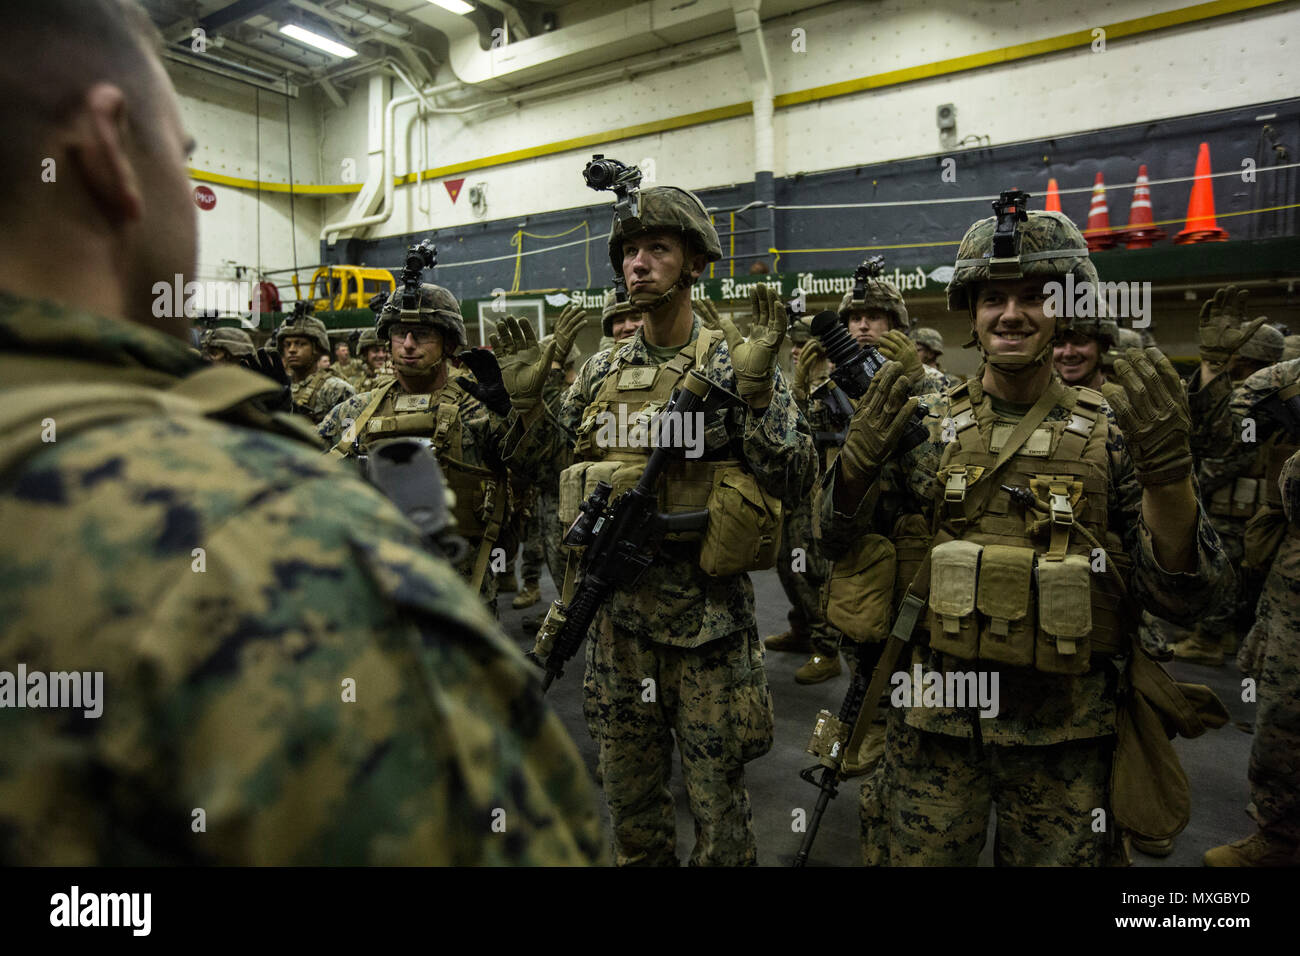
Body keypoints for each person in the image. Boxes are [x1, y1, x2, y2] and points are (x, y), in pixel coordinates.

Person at [0, 0, 604, 866]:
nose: (405, 345)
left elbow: (528, 466)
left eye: (421, 334)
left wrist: (523, 408)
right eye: (181, 161)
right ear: (105, 152)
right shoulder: (273, 536)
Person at [817, 202, 1230, 865]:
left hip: (1065, 740)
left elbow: (1190, 597)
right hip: (932, 727)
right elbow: (828, 546)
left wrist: (1170, 477)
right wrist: (854, 469)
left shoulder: (1115, 428)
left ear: (1065, 310)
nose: (1012, 313)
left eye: (1036, 296)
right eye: (993, 298)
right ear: (972, 313)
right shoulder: (919, 423)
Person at [498, 185, 815, 865]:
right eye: (630, 253)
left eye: (657, 249)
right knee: (632, 810)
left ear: (694, 263)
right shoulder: (602, 367)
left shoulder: (736, 357)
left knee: (720, 817)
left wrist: (759, 396)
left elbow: (794, 475)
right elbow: (546, 468)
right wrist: (526, 409)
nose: (638, 264)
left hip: (708, 631)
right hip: (617, 626)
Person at [318, 281, 514, 611]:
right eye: (400, 334)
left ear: (449, 343)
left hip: (460, 589)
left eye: (422, 334)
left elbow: (538, 469)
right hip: (378, 587)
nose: (408, 345)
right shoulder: (355, 412)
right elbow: (297, 473)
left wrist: (517, 411)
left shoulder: (477, 409)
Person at [1205, 356, 1300, 865]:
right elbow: (1230, 436)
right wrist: (1212, 376)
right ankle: (1281, 835)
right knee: (1282, 708)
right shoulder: (1285, 381)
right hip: (1291, 572)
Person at [764, 320, 846, 684]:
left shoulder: (837, 387)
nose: (796, 351)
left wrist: (801, 390)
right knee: (786, 564)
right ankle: (802, 630)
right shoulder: (791, 383)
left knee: (809, 570)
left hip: (819, 497)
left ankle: (827, 648)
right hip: (791, 495)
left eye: (804, 346)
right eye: (794, 347)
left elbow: (815, 435)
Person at [275, 311, 354, 423]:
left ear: (317, 349)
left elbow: (350, 437)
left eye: (300, 343)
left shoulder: (336, 389)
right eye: (287, 345)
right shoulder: (280, 388)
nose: (291, 350)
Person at [1053, 313, 1115, 391]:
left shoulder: (1126, 399)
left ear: (1103, 346)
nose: (1068, 353)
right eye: (1058, 344)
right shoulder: (1037, 399)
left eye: (1080, 342)